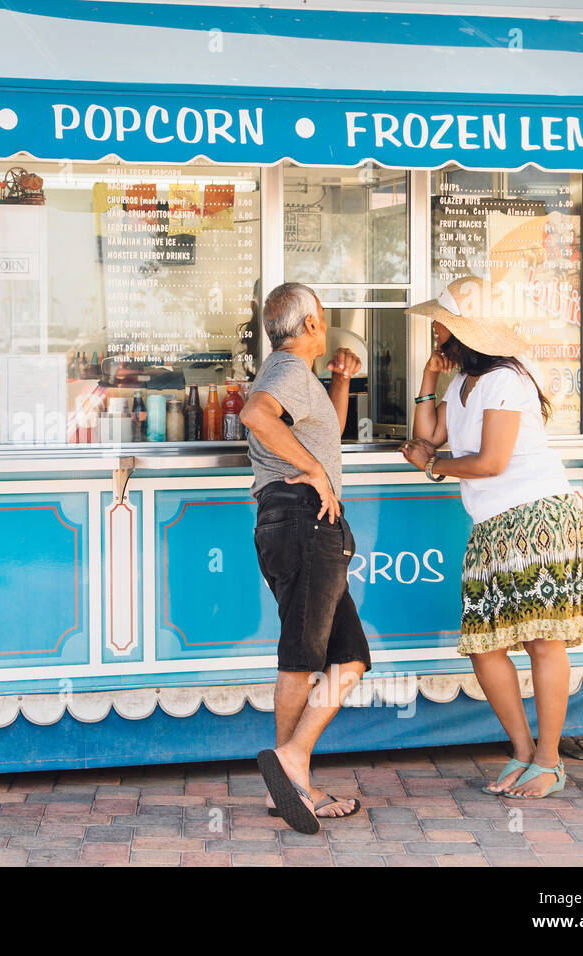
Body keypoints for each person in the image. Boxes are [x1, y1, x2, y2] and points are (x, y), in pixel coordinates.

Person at [400, 276, 583, 799]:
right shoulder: (465, 382)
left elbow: (489, 461)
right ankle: (525, 753)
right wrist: (427, 378)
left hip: (536, 519)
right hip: (493, 524)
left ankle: (550, 761)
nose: (434, 331)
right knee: (486, 647)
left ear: (463, 331)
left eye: (440, 325)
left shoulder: (505, 379)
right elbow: (429, 432)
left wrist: (433, 465)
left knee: (540, 641)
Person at [241, 282, 370, 834]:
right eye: (324, 317)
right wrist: (316, 474)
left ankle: (290, 771)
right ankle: (293, 769)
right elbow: (255, 416)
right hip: (304, 518)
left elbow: (327, 435)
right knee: (304, 652)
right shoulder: (286, 372)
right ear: (311, 325)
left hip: (297, 522)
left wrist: (340, 382)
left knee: (349, 656)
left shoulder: (298, 376)